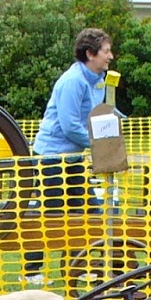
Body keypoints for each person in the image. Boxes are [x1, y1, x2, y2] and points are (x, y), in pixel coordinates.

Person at [24, 27, 113, 282]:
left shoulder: (98, 80)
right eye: (106, 52)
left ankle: (77, 267)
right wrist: (101, 146)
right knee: (51, 215)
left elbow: (95, 116)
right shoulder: (72, 81)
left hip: (72, 158)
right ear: (90, 54)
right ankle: (32, 273)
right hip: (51, 157)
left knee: (88, 212)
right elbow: (70, 126)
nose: (110, 56)